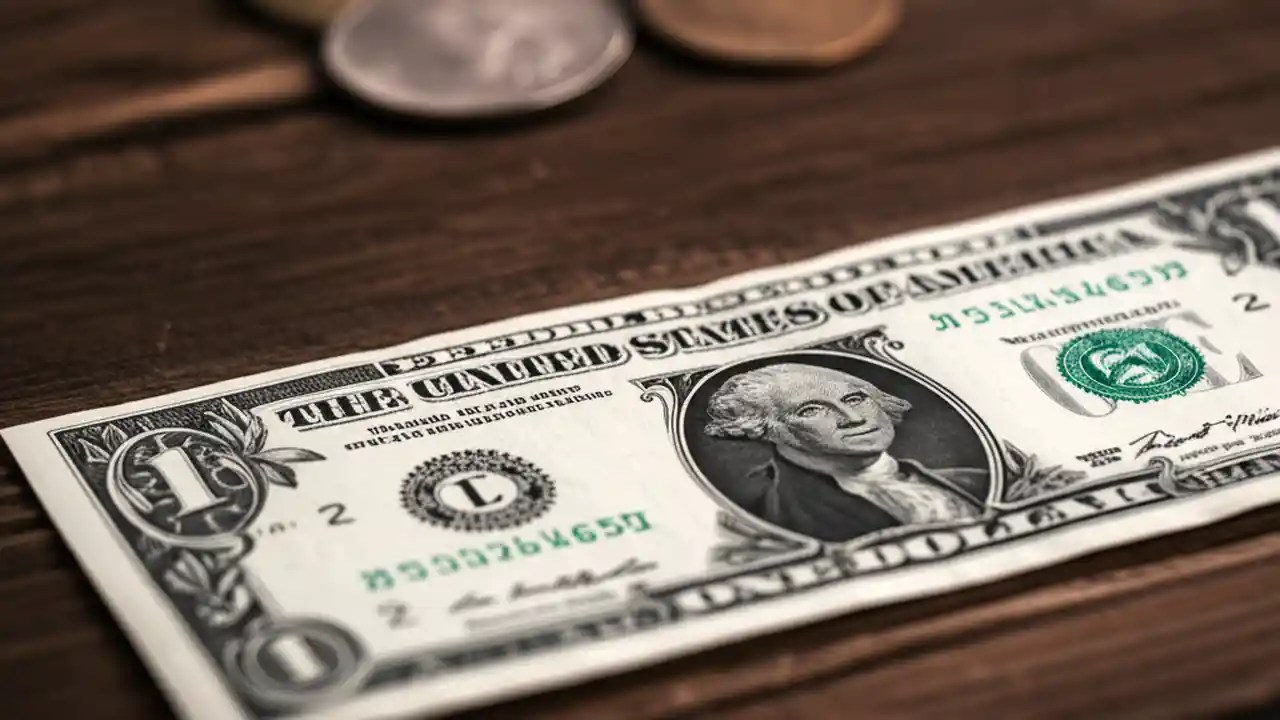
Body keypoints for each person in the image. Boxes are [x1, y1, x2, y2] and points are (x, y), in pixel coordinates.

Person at [704, 363, 986, 542]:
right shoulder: (776, 523)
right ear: (764, 428)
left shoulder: (975, 481)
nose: (853, 418)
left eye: (854, 399)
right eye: (811, 410)